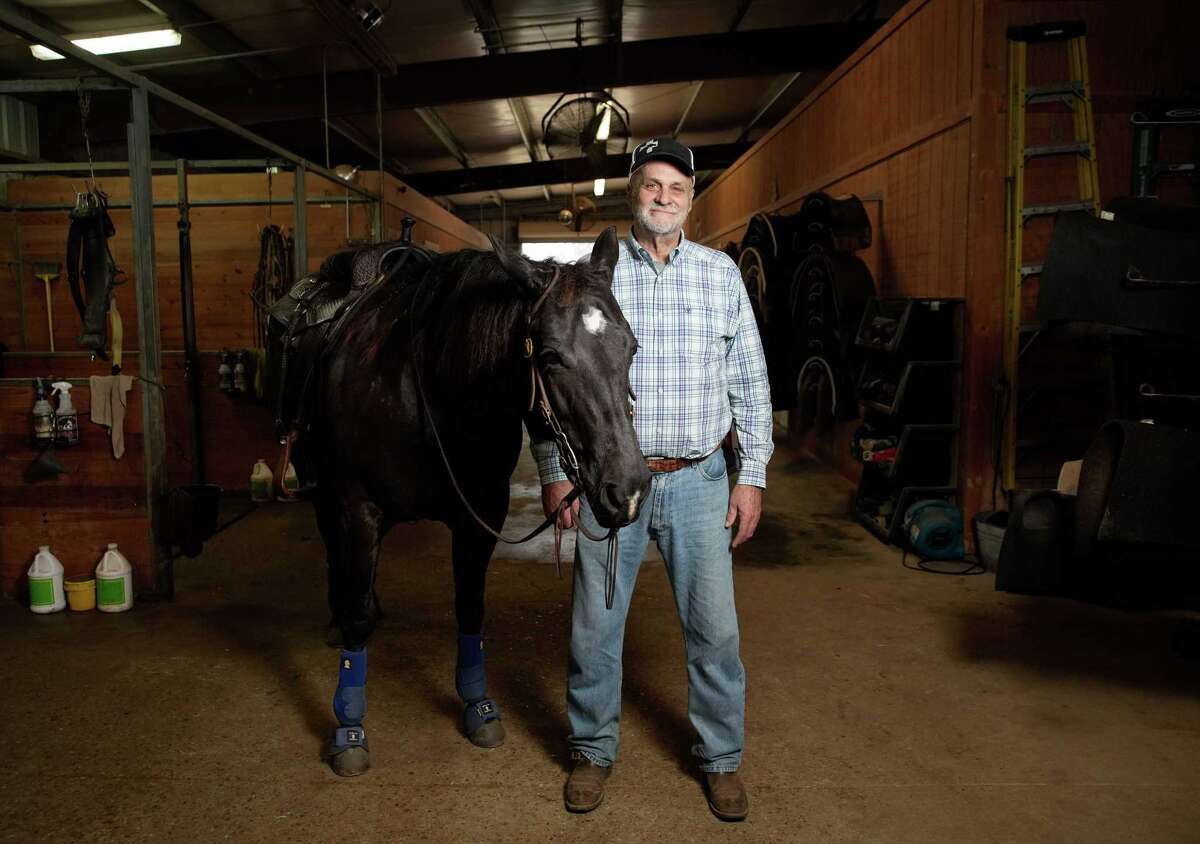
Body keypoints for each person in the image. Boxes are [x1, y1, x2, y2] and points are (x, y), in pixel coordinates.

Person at [532, 136, 773, 821]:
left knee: (714, 632)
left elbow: (749, 382)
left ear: (691, 200)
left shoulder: (720, 275)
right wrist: (556, 472)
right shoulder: (591, 279)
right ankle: (591, 749)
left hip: (699, 481)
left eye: (677, 188)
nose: (663, 197)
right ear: (633, 192)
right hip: (613, 486)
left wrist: (749, 475)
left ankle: (720, 759)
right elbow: (553, 383)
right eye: (652, 185)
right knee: (595, 627)